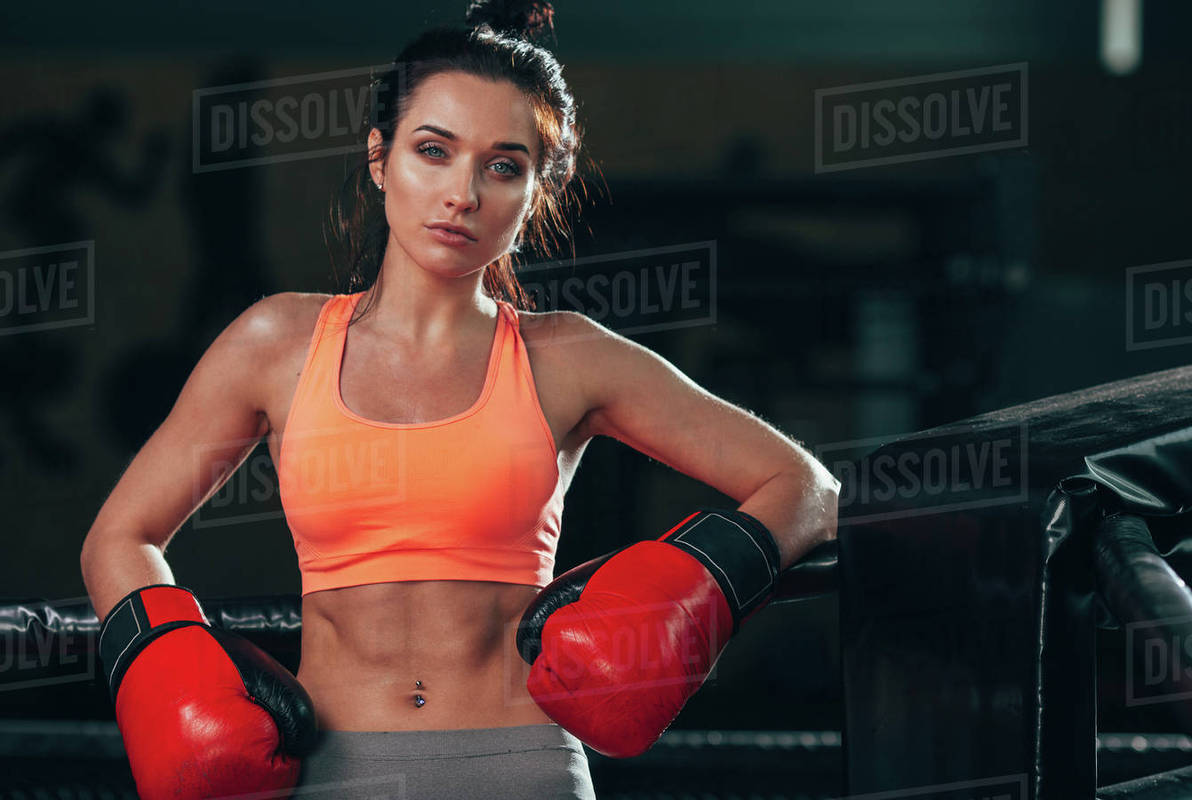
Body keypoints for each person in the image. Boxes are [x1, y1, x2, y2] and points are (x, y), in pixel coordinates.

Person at [79, 1, 840, 798]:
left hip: (524, 768)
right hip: (337, 772)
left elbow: (809, 491)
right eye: (433, 151)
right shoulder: (276, 343)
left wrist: (690, 592)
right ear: (380, 158)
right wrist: (170, 663)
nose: (462, 194)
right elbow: (119, 537)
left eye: (503, 166)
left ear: (539, 190)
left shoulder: (567, 357)